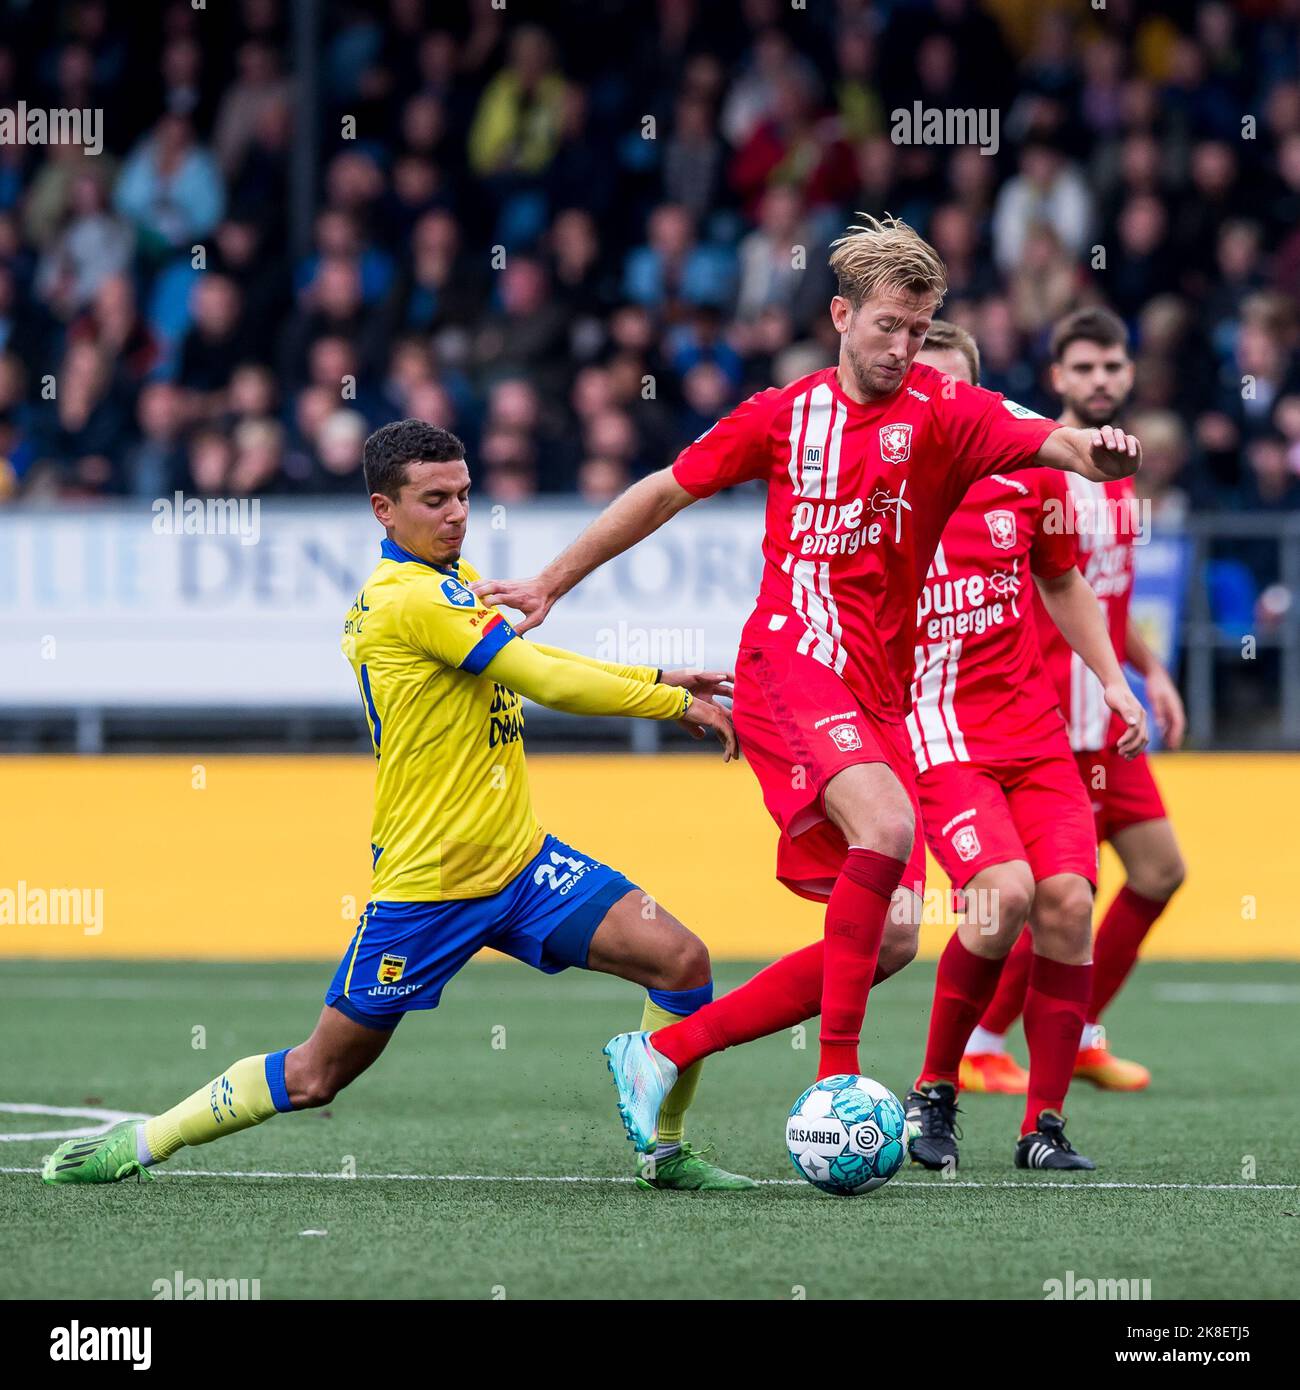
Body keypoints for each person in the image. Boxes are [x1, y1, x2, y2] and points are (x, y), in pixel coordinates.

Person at [472, 215, 1141, 1155]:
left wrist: (1097, 454)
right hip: (790, 660)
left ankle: (663, 1050)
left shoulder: (948, 413)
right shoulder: (784, 415)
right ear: (840, 315)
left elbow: (1054, 446)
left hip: (879, 696)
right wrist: (548, 582)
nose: (904, 348)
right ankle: (836, 1078)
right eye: (888, 327)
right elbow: (664, 488)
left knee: (896, 938)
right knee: (890, 829)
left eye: (918, 329)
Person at [41, 420, 754, 1193]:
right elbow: (542, 683)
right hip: (428, 886)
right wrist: (666, 702)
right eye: (435, 499)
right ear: (384, 509)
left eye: (465, 496)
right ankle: (140, 1142)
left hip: (519, 864)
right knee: (317, 1075)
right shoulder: (406, 600)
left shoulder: (449, 583)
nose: (456, 514)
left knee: (682, 961)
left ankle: (666, 1152)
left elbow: (532, 660)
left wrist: (661, 674)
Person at [902, 321, 1146, 1173]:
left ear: (976, 397)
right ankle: (935, 1090)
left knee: (1070, 904)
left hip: (1034, 733)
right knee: (1002, 895)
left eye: (949, 388)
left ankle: (1042, 1126)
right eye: (914, 384)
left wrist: (1114, 680)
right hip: (941, 735)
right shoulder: (877, 486)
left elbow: (1061, 578)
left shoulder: (1026, 472)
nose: (931, 400)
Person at [963, 308, 1186, 1094]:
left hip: (1110, 719)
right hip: (1054, 720)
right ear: (1056, 378)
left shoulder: (1119, 480)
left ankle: (1082, 1027)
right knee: (1064, 894)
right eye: (1083, 368)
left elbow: (1105, 600)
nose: (1100, 380)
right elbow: (1041, 591)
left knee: (1159, 871)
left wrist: (1149, 670)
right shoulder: (1040, 469)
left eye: (1112, 367)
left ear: (1128, 375)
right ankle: (985, 1041)